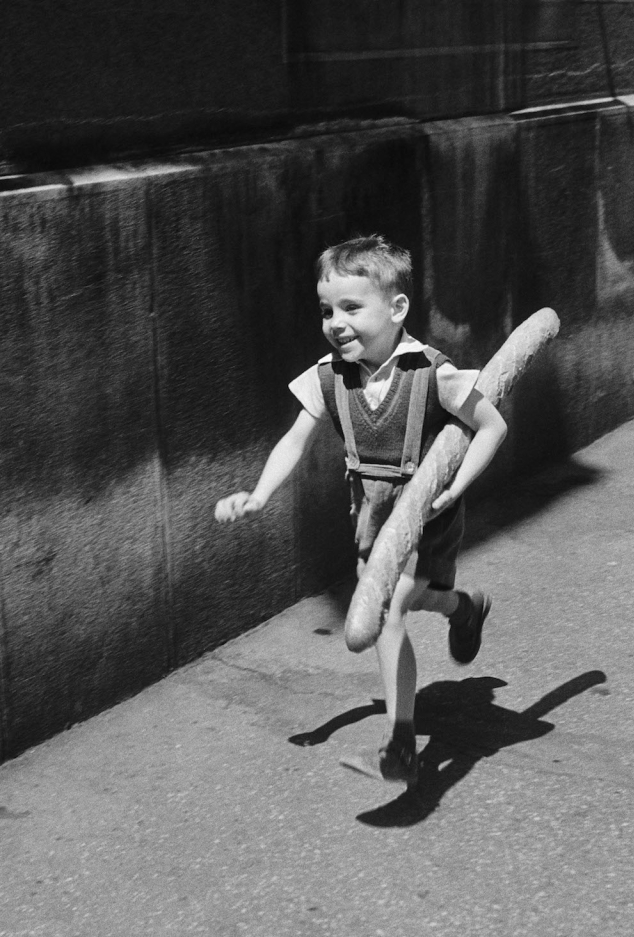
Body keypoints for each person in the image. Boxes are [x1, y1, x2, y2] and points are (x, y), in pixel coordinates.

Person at [215, 235, 507, 786]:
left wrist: (455, 486)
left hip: (427, 513)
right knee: (405, 602)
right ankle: (463, 608)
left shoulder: (431, 373)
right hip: (371, 515)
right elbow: (295, 440)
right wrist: (258, 494)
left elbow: (492, 426)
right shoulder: (330, 375)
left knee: (389, 612)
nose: (335, 322)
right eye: (327, 309)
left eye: (352, 307)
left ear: (396, 309)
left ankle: (401, 747)